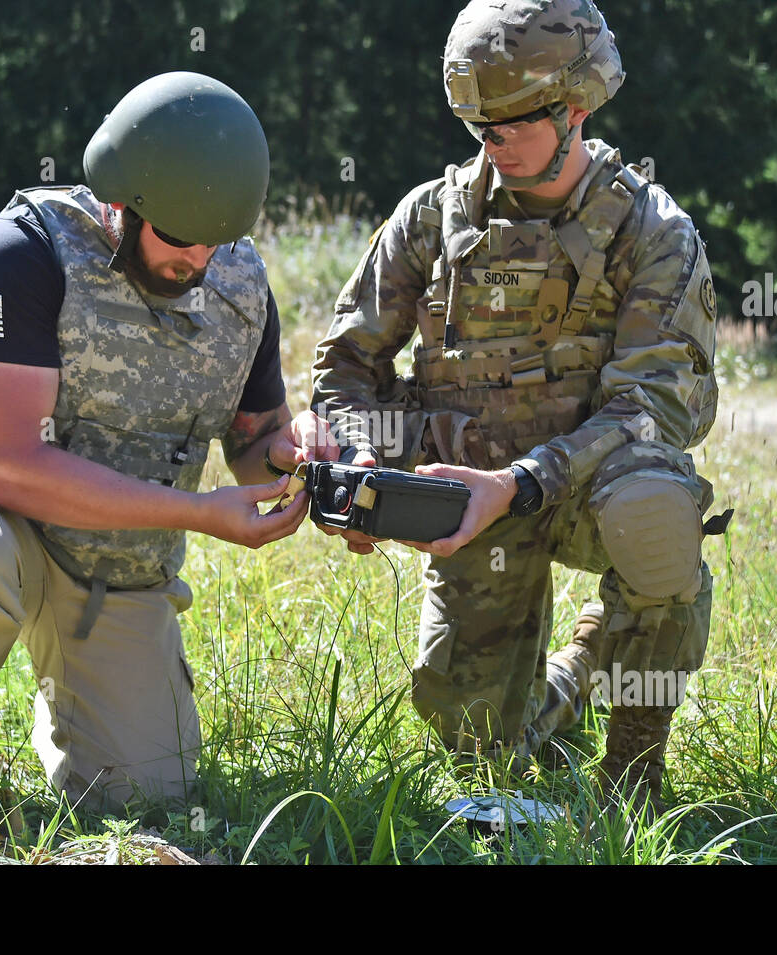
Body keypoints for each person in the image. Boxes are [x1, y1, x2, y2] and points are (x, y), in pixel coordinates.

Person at [311, 0, 729, 816]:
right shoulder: (432, 218)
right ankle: (572, 677)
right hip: (472, 504)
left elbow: (650, 412)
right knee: (477, 759)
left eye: (508, 125)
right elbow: (345, 367)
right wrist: (359, 457)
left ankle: (634, 780)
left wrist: (524, 480)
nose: (490, 145)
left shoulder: (651, 232)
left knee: (656, 518)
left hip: (586, 493)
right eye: (477, 127)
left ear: (575, 110)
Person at [0, 71, 335, 815]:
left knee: (146, 796)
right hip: (1, 535)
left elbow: (254, 441)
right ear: (123, 203)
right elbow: (7, 469)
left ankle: (73, 707)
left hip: (114, 574)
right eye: (180, 237)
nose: (198, 260)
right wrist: (200, 514)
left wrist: (298, 450)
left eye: (218, 240)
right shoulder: (15, 256)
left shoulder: (238, 285)